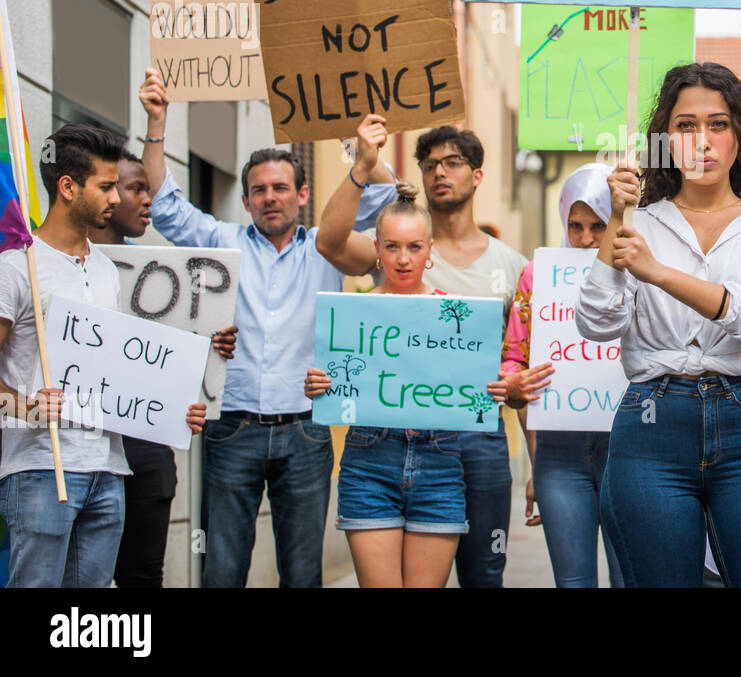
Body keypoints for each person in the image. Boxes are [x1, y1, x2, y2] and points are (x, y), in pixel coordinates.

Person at [137, 68, 394, 587]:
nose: (269, 197)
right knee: (224, 569)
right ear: (247, 199)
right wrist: (157, 122)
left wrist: (364, 153)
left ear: (302, 194)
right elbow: (163, 205)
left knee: (301, 573)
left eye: (280, 188)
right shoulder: (219, 241)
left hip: (307, 430)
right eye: (259, 191)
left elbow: (385, 199)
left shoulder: (329, 246)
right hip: (232, 428)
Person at [576, 62, 741, 588]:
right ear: (665, 140)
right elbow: (596, 322)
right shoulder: (640, 222)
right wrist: (617, 220)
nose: (702, 140)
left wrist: (655, 270)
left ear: (740, 134)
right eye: (685, 125)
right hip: (652, 426)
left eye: (718, 123)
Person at [0, 124, 203, 587]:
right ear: (68, 188)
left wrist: (173, 410)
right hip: (39, 469)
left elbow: (118, 370)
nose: (116, 198)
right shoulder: (16, 267)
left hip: (109, 470)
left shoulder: (108, 271)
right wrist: (24, 408)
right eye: (106, 186)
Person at [307, 115, 469, 587]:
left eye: (414, 247)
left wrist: (491, 386)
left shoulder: (456, 317)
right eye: (392, 247)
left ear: (430, 251)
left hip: (440, 460)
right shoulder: (350, 316)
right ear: (376, 250)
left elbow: (473, 385)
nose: (403, 258)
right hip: (367, 459)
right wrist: (318, 383)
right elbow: (334, 380)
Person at [365, 123, 528, 587]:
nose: (440, 172)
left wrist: (539, 467)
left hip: (480, 437)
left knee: (483, 573)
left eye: (453, 162)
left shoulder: (513, 266)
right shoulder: (397, 250)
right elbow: (332, 246)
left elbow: (520, 368)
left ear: (477, 176)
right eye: (430, 164)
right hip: (399, 433)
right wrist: (362, 164)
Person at [87, 149, 237, 588]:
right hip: (82, 446)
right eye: (136, 188)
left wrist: (212, 347)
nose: (147, 200)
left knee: (143, 574)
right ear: (108, 194)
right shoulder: (65, 264)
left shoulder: (163, 273)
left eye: (149, 189)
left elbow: (178, 363)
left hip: (146, 449)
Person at [495, 163, 623, 587]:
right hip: (559, 457)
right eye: (575, 226)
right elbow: (514, 356)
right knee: (572, 583)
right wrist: (513, 383)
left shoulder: (641, 271)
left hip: (628, 452)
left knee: (632, 579)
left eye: (598, 226)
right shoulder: (538, 275)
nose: (586, 239)